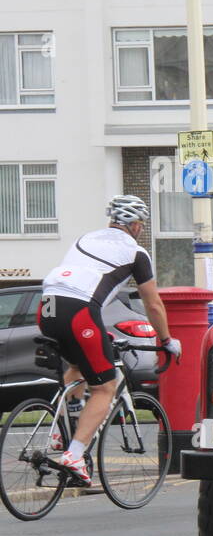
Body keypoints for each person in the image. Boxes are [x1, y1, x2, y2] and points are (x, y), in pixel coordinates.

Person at [37, 196, 181, 486]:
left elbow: (80, 282)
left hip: (47, 305)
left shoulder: (85, 239)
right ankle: (74, 454)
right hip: (79, 312)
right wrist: (166, 339)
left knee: (78, 365)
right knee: (105, 387)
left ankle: (59, 430)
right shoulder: (136, 253)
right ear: (137, 225)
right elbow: (152, 304)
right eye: (141, 224)